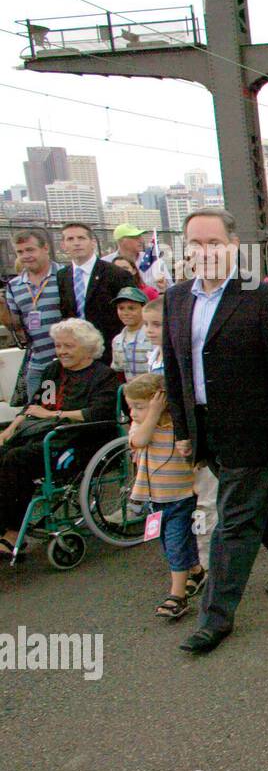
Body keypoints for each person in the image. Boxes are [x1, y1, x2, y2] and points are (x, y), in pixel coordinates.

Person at [163, 208, 268, 654]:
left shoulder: (261, 296)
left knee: (234, 521)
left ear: (233, 245)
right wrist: (183, 429)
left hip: (257, 429)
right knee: (256, 504)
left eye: (214, 242)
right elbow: (176, 370)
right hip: (206, 426)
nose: (204, 251)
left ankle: (215, 616)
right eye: (195, 243)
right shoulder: (176, 298)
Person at [0, 318, 119, 558]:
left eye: (68, 346)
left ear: (87, 347)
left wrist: (55, 414)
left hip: (79, 440)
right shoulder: (53, 371)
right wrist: (10, 429)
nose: (61, 351)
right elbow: (36, 405)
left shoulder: (102, 375)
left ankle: (12, 534)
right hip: (45, 433)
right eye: (58, 345)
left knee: (16, 460)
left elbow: (96, 413)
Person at [124, 372, 205, 619]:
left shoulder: (178, 427)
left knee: (176, 543)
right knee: (170, 543)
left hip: (181, 495)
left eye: (139, 406)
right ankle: (197, 571)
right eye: (131, 407)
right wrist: (150, 415)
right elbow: (139, 440)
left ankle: (177, 595)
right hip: (155, 498)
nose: (134, 413)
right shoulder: (141, 425)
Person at [1, 228, 60, 400]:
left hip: (69, 363)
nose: (25, 255)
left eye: (30, 250)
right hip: (38, 363)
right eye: (20, 252)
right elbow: (15, 325)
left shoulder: (66, 275)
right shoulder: (14, 285)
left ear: (45, 249)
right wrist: (2, 308)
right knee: (36, 415)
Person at [57, 222, 133, 347]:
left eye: (81, 238)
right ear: (63, 245)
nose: (76, 243)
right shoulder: (62, 276)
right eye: (70, 239)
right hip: (77, 347)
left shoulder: (116, 274)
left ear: (92, 243)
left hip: (109, 346)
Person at [110, 288, 152, 380]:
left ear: (144, 308)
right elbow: (119, 371)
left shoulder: (152, 336)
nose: (125, 313)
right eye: (121, 308)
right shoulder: (117, 340)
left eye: (131, 308)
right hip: (132, 392)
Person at [141, 297, 166, 374]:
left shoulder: (176, 358)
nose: (149, 330)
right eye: (146, 324)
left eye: (157, 325)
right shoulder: (152, 355)